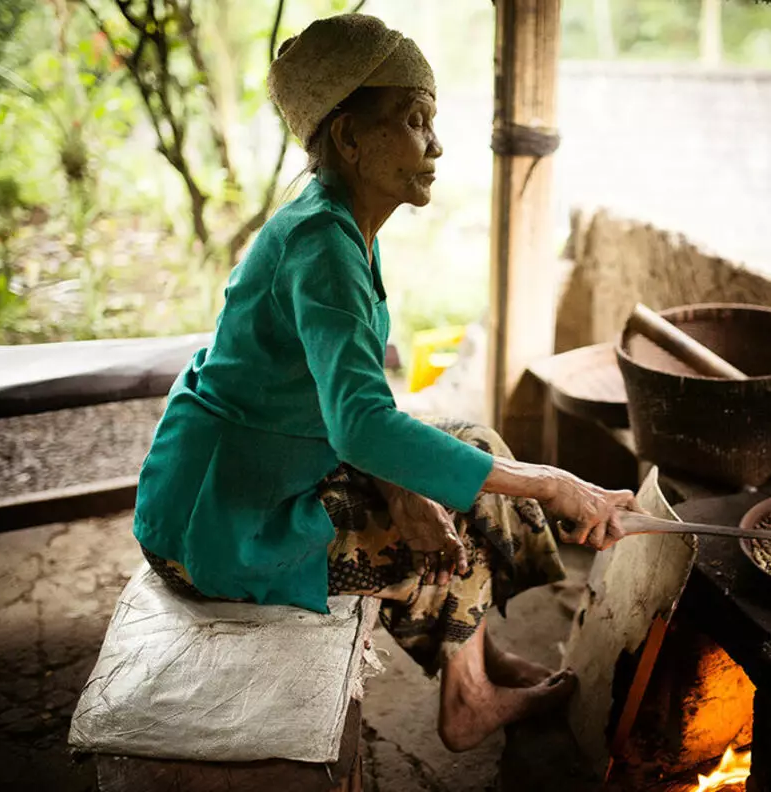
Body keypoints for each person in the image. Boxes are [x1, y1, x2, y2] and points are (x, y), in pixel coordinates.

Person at [132, 13, 638, 753]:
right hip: (218, 520)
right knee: (460, 520)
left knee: (474, 446)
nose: (435, 144)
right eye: (414, 121)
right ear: (349, 138)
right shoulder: (323, 248)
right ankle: (468, 701)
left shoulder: (338, 227)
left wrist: (406, 488)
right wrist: (551, 483)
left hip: (258, 469)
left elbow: (351, 405)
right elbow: (361, 426)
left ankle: (481, 656)